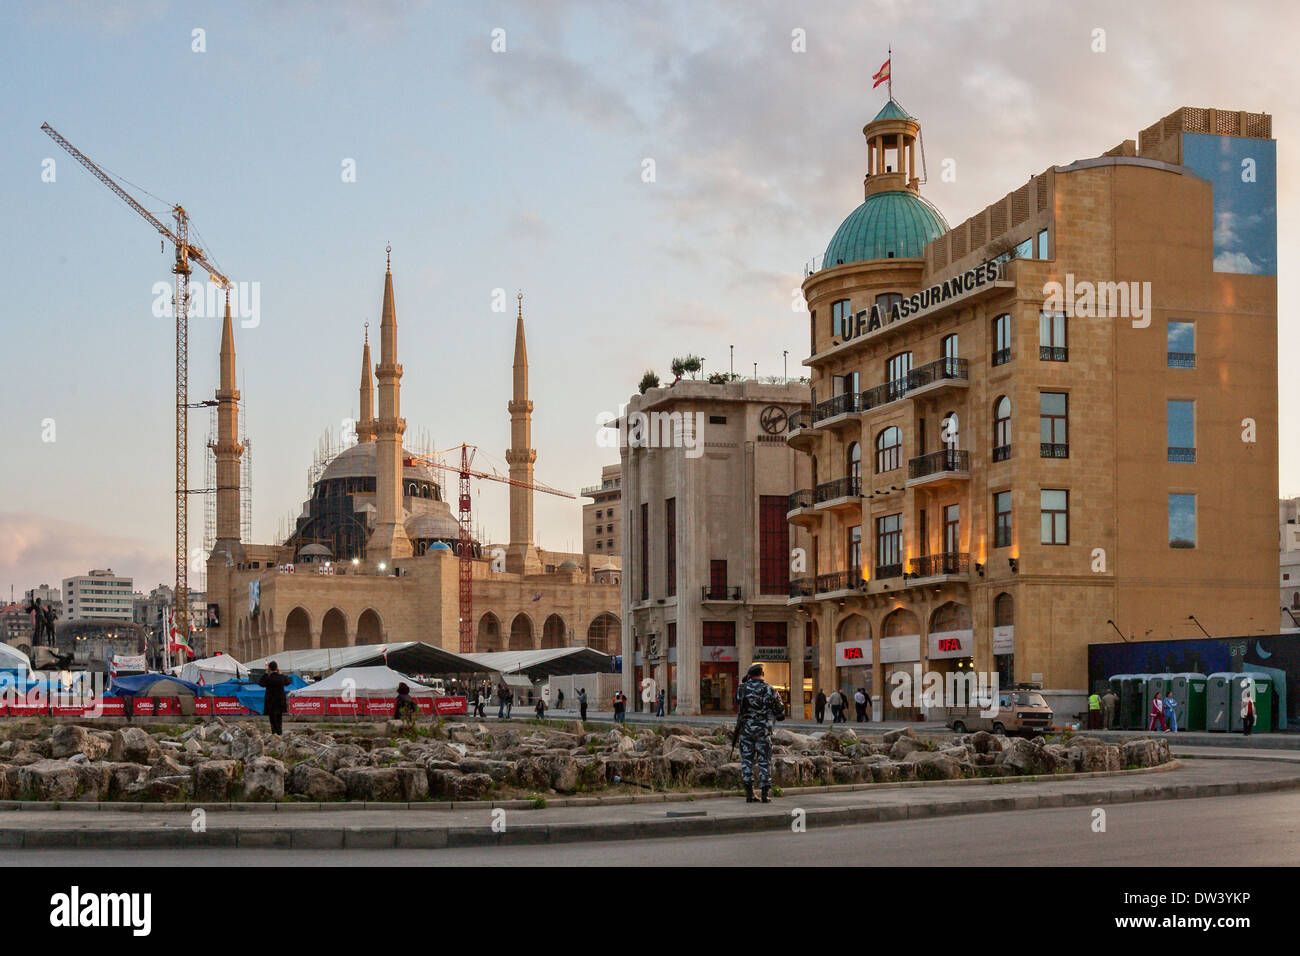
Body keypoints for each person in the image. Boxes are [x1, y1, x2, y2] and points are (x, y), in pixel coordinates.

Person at [733, 663, 786, 803]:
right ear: (763, 674)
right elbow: (780, 711)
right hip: (763, 730)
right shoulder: (770, 689)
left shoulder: (742, 689)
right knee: (764, 761)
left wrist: (745, 682)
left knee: (746, 761)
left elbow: (736, 701)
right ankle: (764, 794)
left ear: (750, 675)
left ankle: (749, 794)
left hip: (746, 730)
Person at [258, 661, 292, 737]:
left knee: (272, 720)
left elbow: (260, 683)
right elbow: (288, 682)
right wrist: (281, 674)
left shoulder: (268, 678)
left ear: (269, 668)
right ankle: (280, 733)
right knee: (279, 719)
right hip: (280, 701)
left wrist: (266, 673)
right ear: (277, 668)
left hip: (270, 701)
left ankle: (274, 734)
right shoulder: (281, 677)